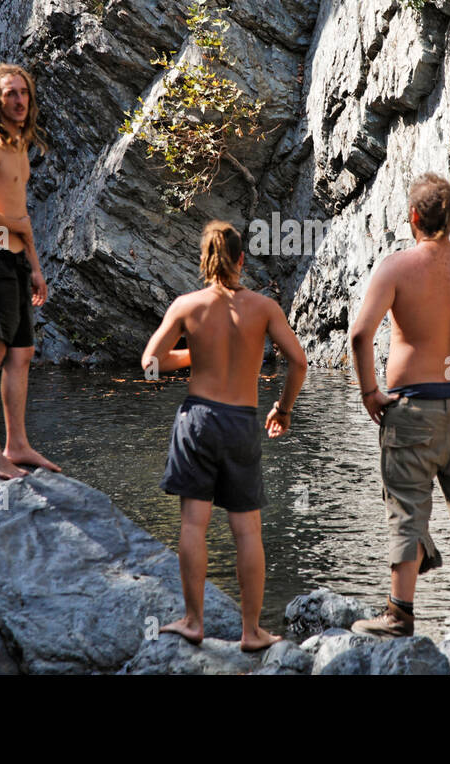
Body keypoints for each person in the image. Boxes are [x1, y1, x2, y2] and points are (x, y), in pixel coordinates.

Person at [347, 172, 450, 637]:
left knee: (407, 509)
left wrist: (368, 392)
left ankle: (399, 614)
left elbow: (360, 334)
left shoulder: (396, 268)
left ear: (413, 217)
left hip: (412, 411)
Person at [142, 220, 307, 652]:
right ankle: (252, 632)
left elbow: (150, 363)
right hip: (240, 420)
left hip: (197, 419)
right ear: (240, 260)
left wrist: (195, 353)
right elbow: (299, 362)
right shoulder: (265, 308)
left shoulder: (187, 305)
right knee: (247, 530)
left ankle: (194, 622)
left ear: (205, 260)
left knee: (194, 523)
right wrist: (283, 409)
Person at [0, 63, 61, 480]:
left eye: (24, 93)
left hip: (17, 263)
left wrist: (35, 267)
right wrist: (15, 228)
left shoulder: (19, 144)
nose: (19, 101)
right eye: (10, 94)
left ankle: (16, 444)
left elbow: (21, 215)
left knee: (22, 354)